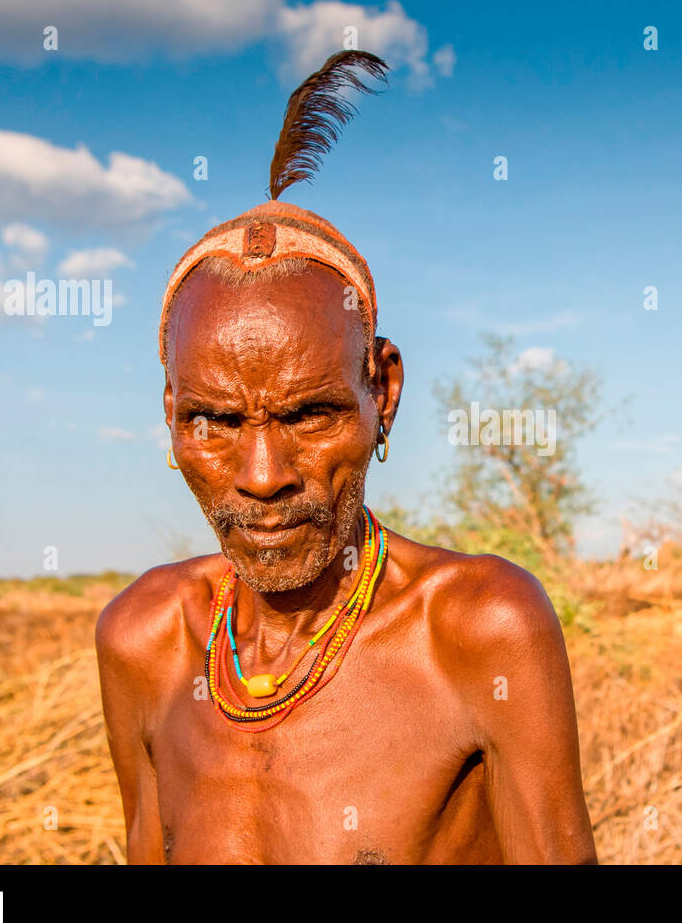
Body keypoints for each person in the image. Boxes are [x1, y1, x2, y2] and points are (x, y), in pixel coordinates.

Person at [95, 51, 596, 864]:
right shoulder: (142, 640)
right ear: (171, 420)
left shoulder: (478, 631)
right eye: (213, 422)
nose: (263, 476)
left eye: (310, 415)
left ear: (382, 394)